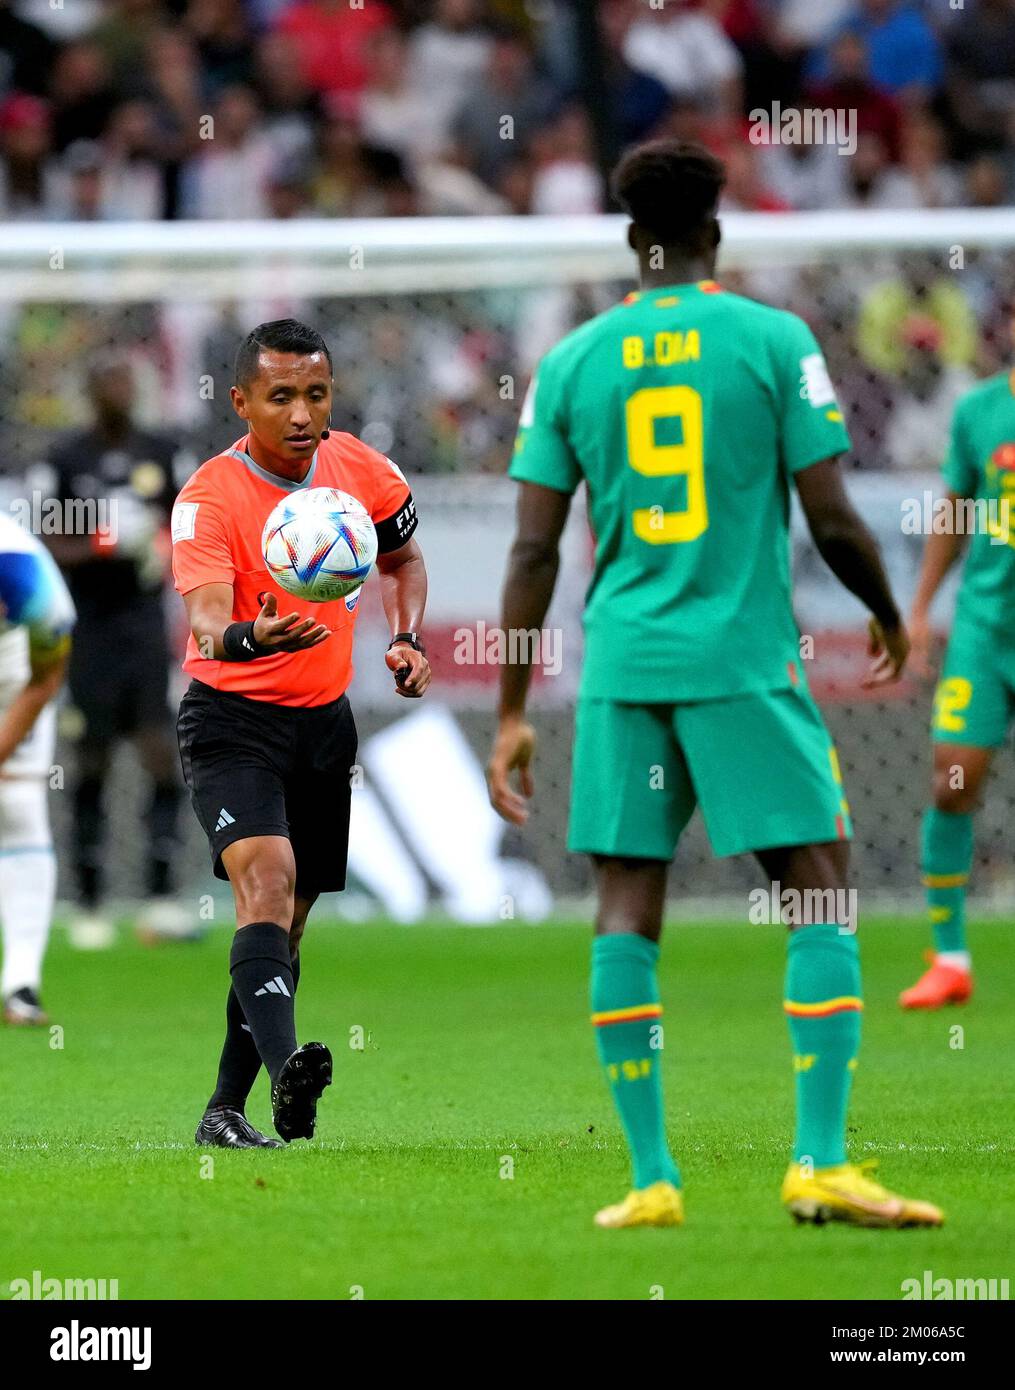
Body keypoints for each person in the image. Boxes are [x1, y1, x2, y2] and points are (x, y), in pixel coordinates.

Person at [486, 140, 942, 1230]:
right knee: (820, 884)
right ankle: (818, 1160)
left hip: (625, 667)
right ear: (716, 233)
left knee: (625, 901)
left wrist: (508, 709)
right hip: (740, 661)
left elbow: (532, 554)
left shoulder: (573, 361)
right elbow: (830, 514)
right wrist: (885, 610)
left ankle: (649, 1179)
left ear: (628, 235)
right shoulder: (773, 339)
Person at [172, 318, 430, 1148]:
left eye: (314, 393)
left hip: (324, 727)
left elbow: (404, 561)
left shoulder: (361, 472)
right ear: (241, 401)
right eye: (279, 396)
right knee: (267, 887)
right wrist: (257, 635)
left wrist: (406, 636)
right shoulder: (209, 497)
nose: (299, 412)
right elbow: (209, 622)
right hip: (232, 720)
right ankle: (290, 1070)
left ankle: (225, 1109)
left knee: (285, 927)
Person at [46, 348, 190, 950]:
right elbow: (45, 540)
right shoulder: (64, 459)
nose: (120, 390)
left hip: (143, 630)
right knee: (92, 759)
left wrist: (163, 545)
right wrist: (104, 543)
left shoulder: (161, 452)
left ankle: (161, 900)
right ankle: (88, 903)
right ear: (90, 390)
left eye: (128, 380)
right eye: (109, 380)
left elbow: (192, 524)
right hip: (87, 630)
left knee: (161, 755)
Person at [900, 324, 1015, 1009]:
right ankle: (948, 958)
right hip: (984, 625)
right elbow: (956, 511)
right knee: (952, 778)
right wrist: (918, 611)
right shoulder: (977, 411)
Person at [0, 513, 75, 1024]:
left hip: (13, 673)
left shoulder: (26, 576)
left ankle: (20, 983)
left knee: (18, 807)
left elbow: (45, 678)